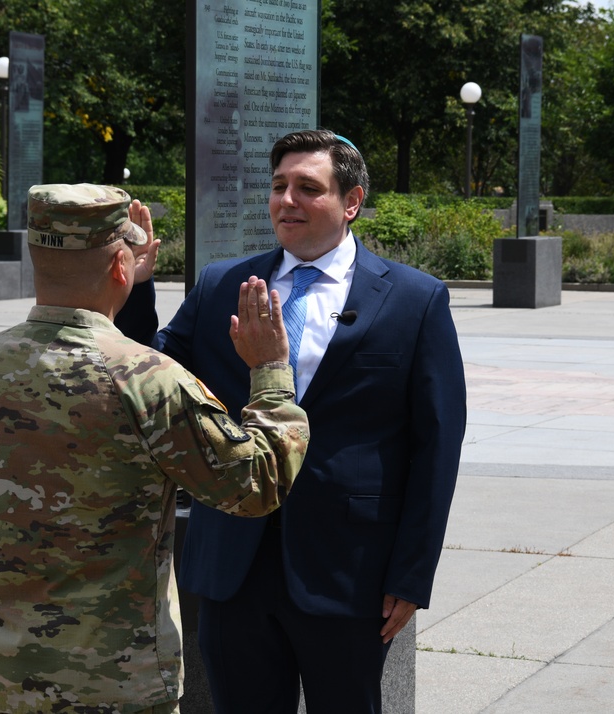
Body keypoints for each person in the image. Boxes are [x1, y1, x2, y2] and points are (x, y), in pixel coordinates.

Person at [0, 183, 309, 714]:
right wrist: (271, 373)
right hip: (121, 691)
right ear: (122, 266)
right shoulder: (149, 380)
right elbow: (256, 484)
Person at [117, 129, 467, 713]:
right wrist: (138, 284)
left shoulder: (414, 299)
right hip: (234, 563)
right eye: (279, 186)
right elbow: (144, 373)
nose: (287, 200)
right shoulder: (223, 284)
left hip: (350, 571)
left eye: (308, 188)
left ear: (351, 202)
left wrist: (412, 574)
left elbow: (437, 445)